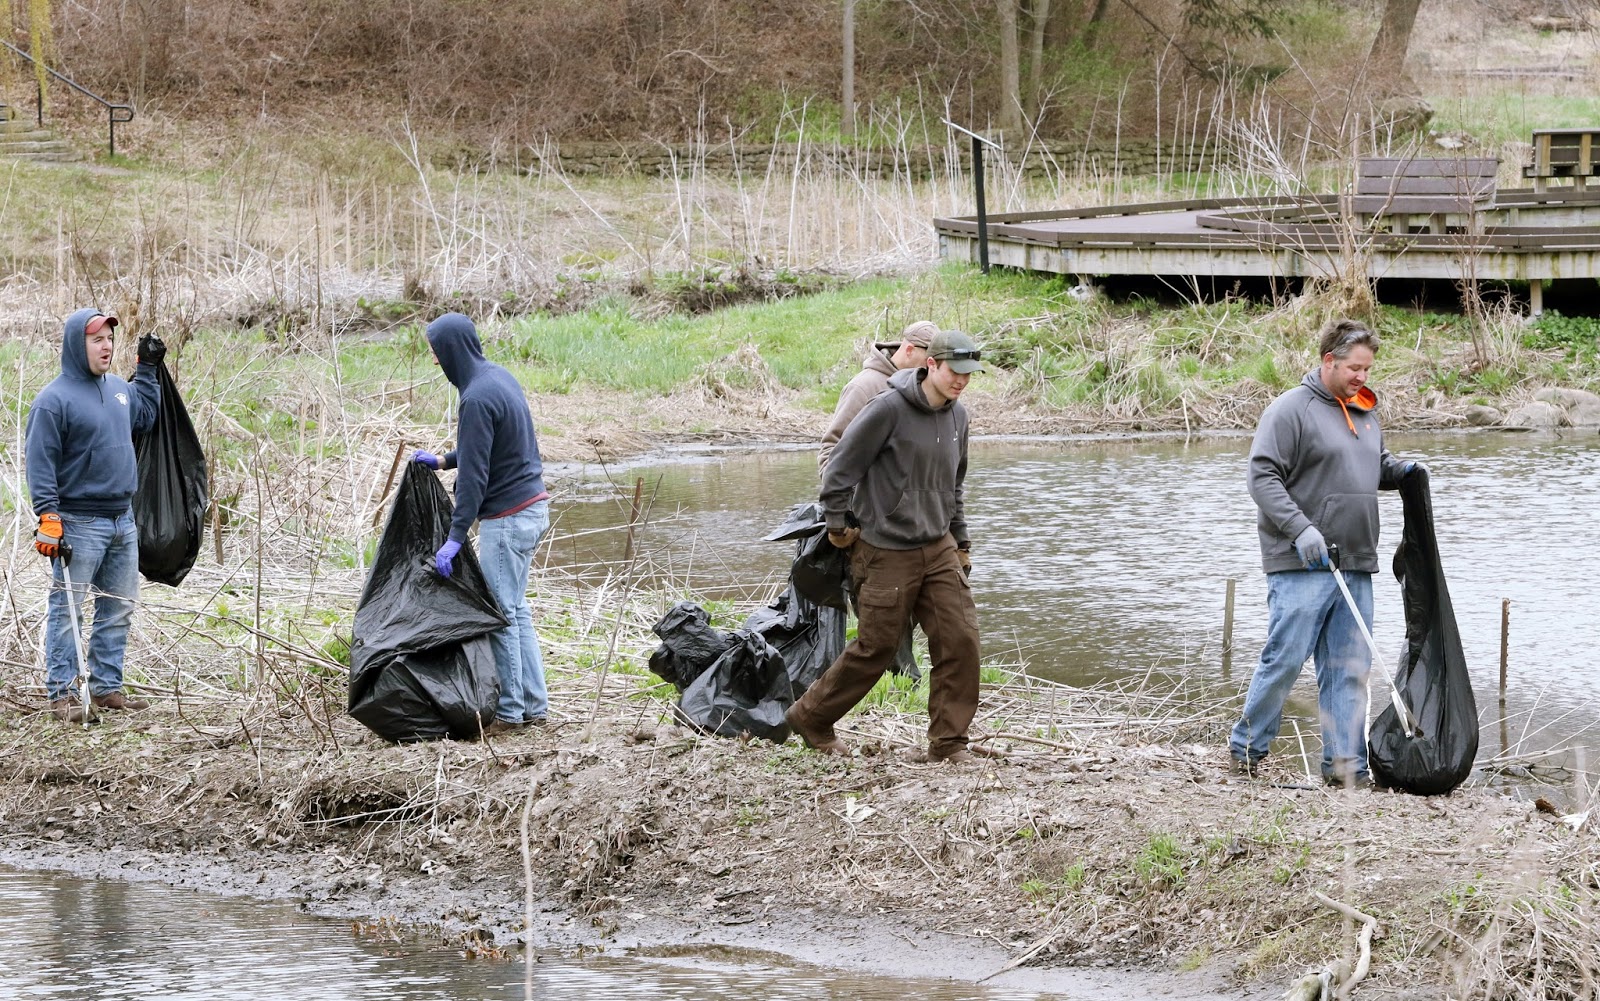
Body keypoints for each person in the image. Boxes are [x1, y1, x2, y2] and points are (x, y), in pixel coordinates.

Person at [1229, 318, 1424, 789]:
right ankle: (1247, 750)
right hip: (1301, 563)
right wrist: (1300, 530)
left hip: (1355, 562)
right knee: (1286, 658)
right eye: (1354, 368)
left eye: (1367, 368)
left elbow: (1370, 465)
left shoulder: (1365, 413)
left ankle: (1345, 767)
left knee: (1349, 670)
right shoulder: (1289, 411)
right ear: (1328, 360)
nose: (1362, 376)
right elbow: (1262, 478)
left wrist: (1399, 471)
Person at [786, 329, 986, 764]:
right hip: (884, 548)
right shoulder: (886, 408)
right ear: (930, 364)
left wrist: (962, 541)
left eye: (969, 375)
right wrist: (839, 525)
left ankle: (949, 743)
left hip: (938, 547)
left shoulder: (959, 418)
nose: (961, 382)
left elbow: (954, 487)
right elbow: (838, 469)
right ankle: (812, 717)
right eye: (955, 372)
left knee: (961, 640)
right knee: (876, 648)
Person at [413, 313, 552, 737]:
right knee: (517, 611)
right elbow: (485, 447)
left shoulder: (474, 397)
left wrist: (455, 538)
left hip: (508, 521)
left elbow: (475, 479)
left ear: (452, 350)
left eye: (436, 352)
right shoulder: (498, 377)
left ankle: (510, 713)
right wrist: (441, 461)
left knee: (500, 615)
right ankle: (534, 704)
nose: (435, 362)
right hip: (533, 509)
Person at [26, 309, 165, 723]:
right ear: (75, 345)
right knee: (69, 610)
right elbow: (40, 462)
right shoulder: (53, 401)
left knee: (118, 607)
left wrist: (147, 370)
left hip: (122, 519)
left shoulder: (119, 390)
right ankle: (64, 695)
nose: (106, 346)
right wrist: (48, 517)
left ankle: (106, 688)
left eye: (109, 339)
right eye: (96, 340)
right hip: (78, 523)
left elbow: (144, 417)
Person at [817, 320, 937, 474]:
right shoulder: (863, 387)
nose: (931, 367)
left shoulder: (925, 389)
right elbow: (830, 452)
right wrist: (853, 496)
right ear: (909, 350)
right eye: (928, 361)